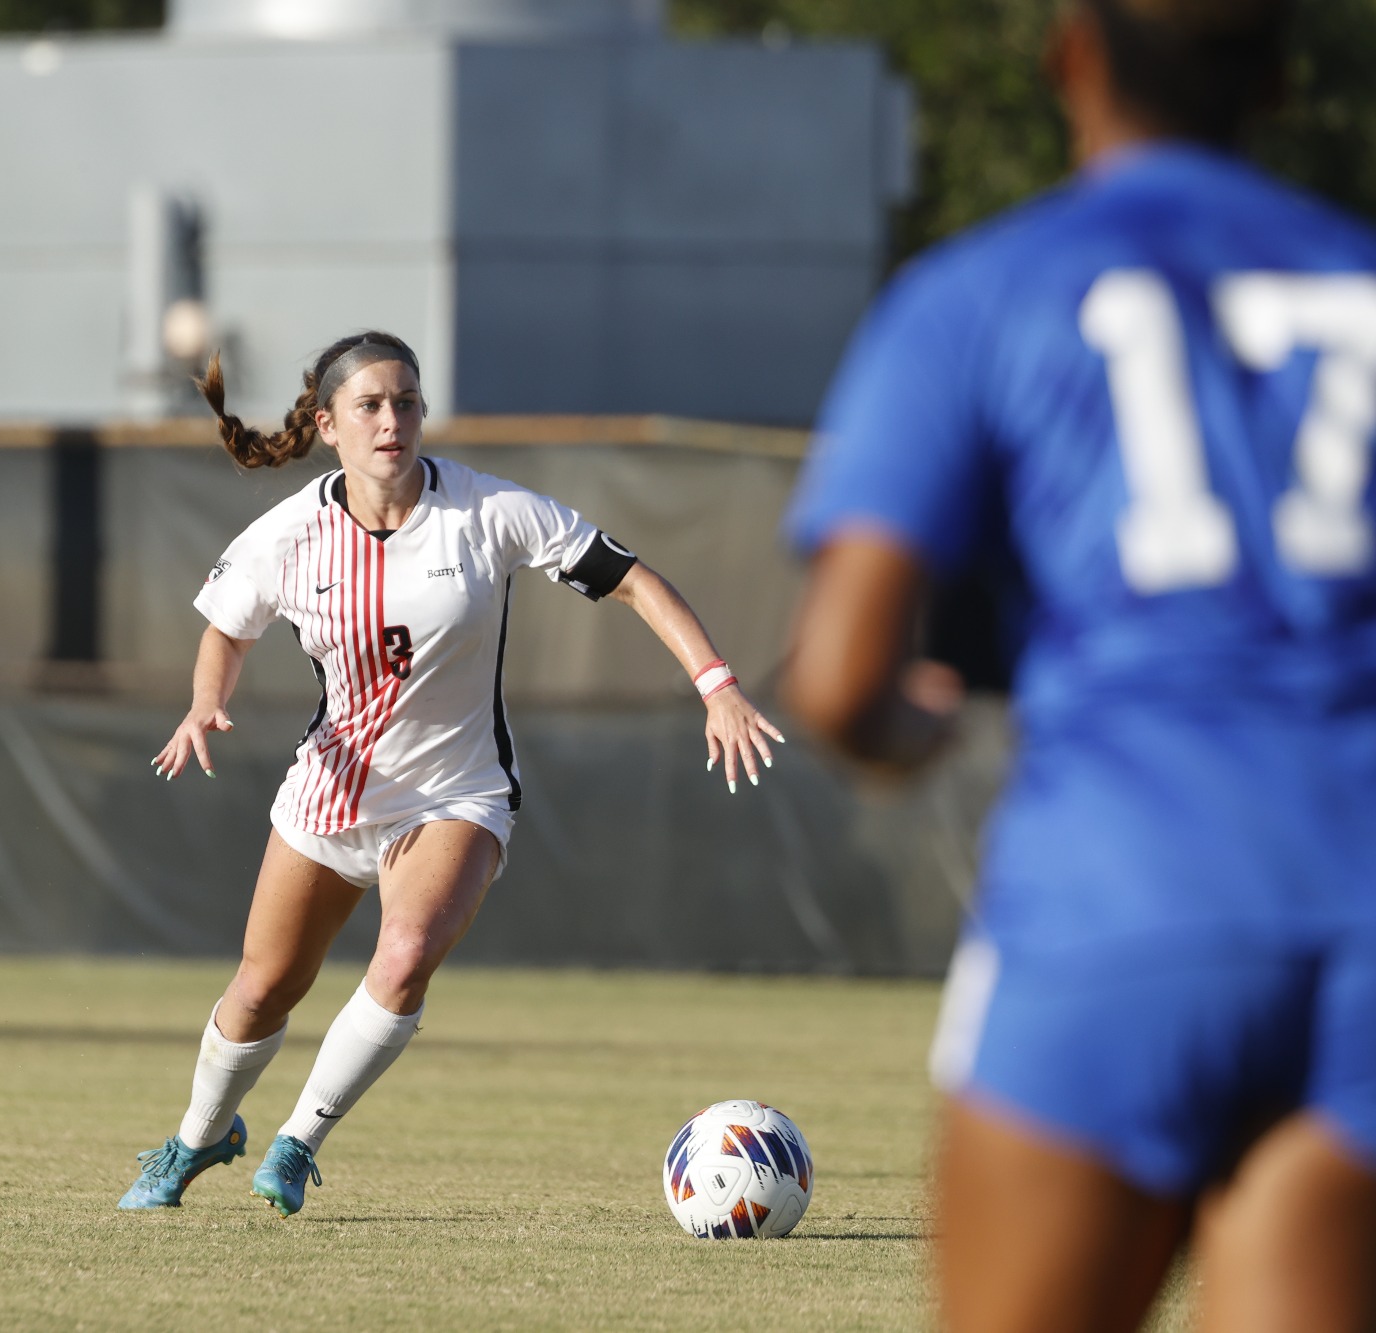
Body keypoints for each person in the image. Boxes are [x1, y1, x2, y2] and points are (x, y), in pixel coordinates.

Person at [780, 1, 1376, 1328]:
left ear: (1071, 55)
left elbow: (837, 678)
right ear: (1278, 83)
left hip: (1122, 894)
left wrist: (909, 729)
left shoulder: (984, 288)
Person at [119, 330, 785, 1216]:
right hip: (333, 789)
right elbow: (226, 631)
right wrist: (206, 701)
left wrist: (717, 685)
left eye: (406, 402)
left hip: (455, 790)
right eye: (368, 405)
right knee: (263, 987)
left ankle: (297, 1142)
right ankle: (197, 1138)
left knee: (404, 956)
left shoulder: (487, 510)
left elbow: (632, 580)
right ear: (328, 425)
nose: (391, 420)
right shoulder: (289, 532)